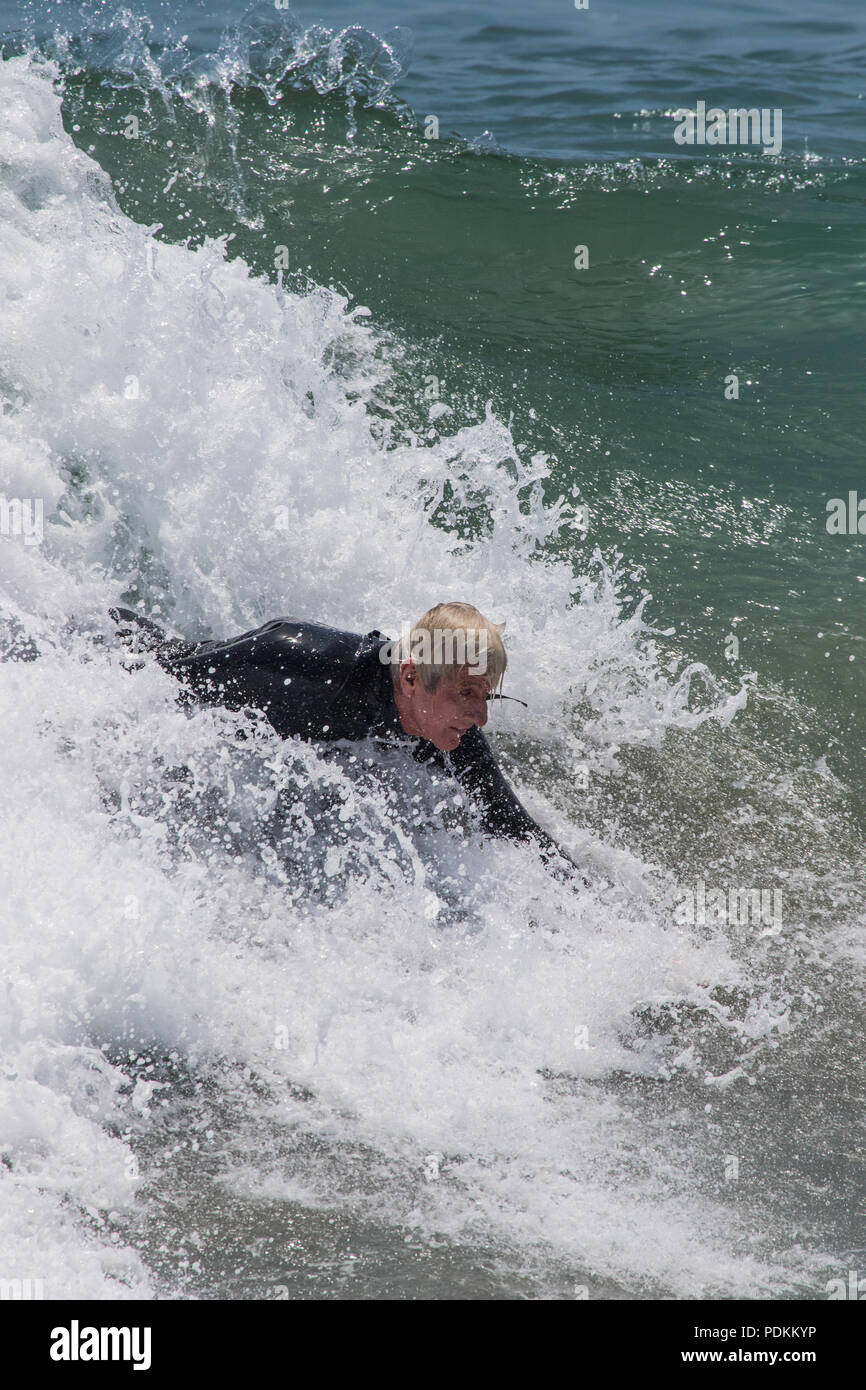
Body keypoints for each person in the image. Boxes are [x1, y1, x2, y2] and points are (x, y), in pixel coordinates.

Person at [110, 600, 581, 880]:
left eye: (486, 696)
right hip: (116, 643)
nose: (480, 716)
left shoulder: (451, 735)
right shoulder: (299, 662)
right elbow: (156, 686)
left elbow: (513, 828)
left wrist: (594, 907)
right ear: (411, 677)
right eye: (466, 693)